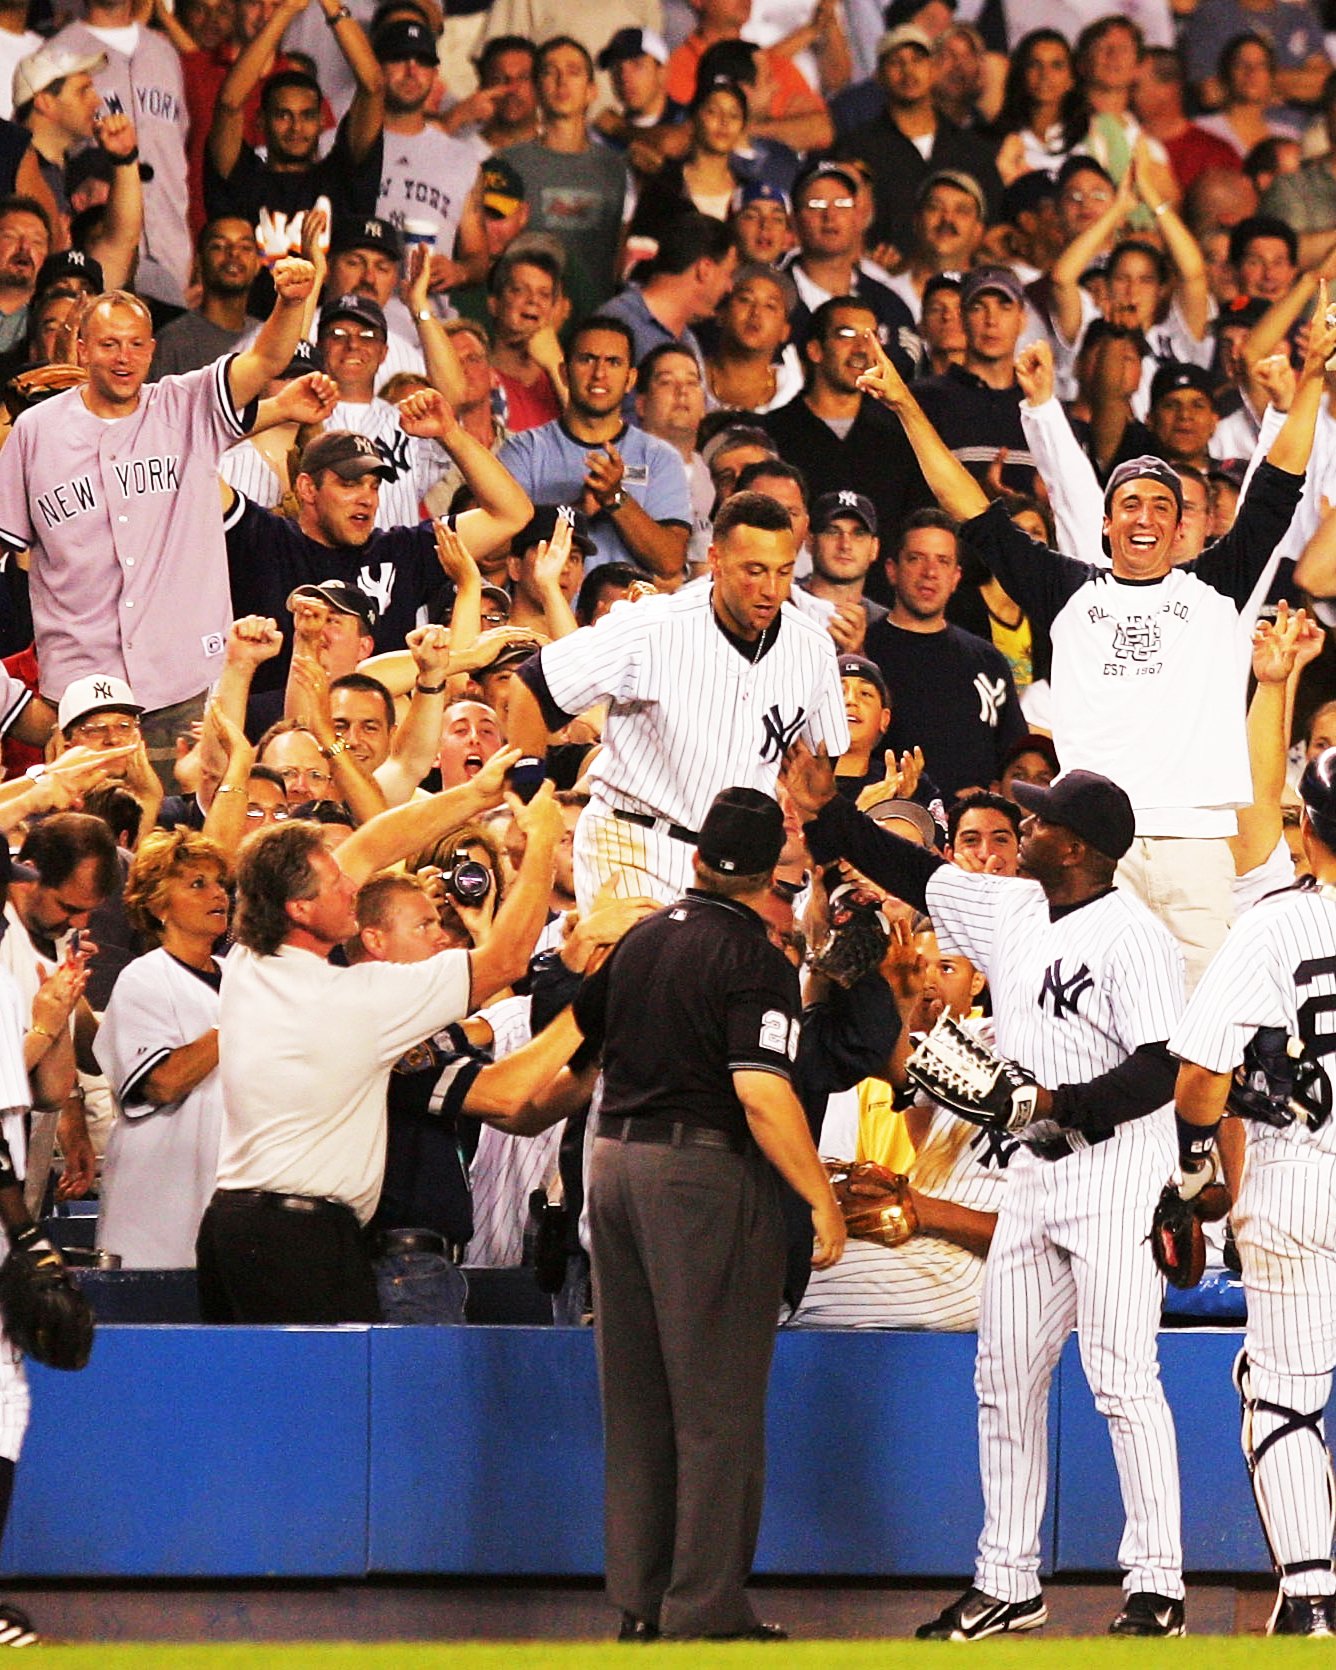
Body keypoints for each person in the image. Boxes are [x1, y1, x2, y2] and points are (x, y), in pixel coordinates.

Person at [783, 746, 1189, 1638]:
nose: (1025, 831)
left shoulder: (1137, 938)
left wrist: (1056, 1101)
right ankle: (1007, 1578)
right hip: (1036, 1172)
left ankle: (1155, 1583)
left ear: (1075, 848)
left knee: (1121, 1379)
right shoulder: (1013, 905)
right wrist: (829, 815)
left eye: (1040, 823)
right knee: (1003, 1376)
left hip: (1118, 1172)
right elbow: (914, 871)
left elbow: (1162, 1069)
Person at [854, 311, 1330, 986]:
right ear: (1105, 525)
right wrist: (905, 404)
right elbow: (965, 503)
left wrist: (1311, 376)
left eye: (1162, 506)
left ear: (1179, 525)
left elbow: (1278, 482)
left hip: (1198, 846)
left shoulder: (1216, 589)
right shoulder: (1065, 588)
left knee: (1196, 1037)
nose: (1145, 517)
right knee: (1096, 1025)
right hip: (1093, 847)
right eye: (1130, 504)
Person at [564, 785, 845, 1640]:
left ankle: (640, 1606)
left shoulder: (642, 938)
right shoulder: (754, 959)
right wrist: (821, 1202)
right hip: (697, 1177)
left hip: (611, 1165)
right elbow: (760, 1093)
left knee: (639, 1399)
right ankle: (704, 1610)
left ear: (694, 857)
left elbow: (574, 1057)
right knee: (715, 1406)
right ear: (771, 876)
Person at [196, 748, 564, 1323]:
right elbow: (509, 958)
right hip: (303, 1241)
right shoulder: (361, 999)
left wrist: (476, 793)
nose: (353, 885)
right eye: (336, 883)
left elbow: (369, 845)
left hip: (229, 1228)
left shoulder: (249, 961)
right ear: (299, 907)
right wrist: (542, 840)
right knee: (329, 1407)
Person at [0, 259, 325, 783]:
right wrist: (8, 699)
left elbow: (266, 359)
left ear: (153, 351)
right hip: (83, 698)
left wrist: (290, 302)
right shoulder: (34, 432)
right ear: (81, 350)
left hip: (186, 688)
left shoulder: (185, 405)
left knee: (190, 847)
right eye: (108, 344)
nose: (124, 358)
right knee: (89, 849)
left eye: (135, 344)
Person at [1170, 746, 1336, 1637]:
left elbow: (1199, 1072)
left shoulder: (1276, 926)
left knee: (1281, 1397)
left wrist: (1201, 1144)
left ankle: (1311, 1597)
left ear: (1306, 828)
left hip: (1301, 1182)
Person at [510, 491, 850, 910]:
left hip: (739, 864)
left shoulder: (812, 646)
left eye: (783, 572)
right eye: (755, 571)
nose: (770, 590)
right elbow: (531, 687)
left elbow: (820, 771)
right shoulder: (651, 627)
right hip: (632, 842)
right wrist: (526, 802)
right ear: (716, 560)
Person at [788, 922, 1012, 1330]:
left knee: (771, 1277)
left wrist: (922, 1209)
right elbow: (898, 1073)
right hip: (915, 1244)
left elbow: (1053, 1248)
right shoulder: (982, 1036)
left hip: (979, 1271)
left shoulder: (1097, 1089)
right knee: (765, 1254)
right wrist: (902, 1004)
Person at [93, 830, 230, 1269]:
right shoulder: (144, 978)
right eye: (197, 883)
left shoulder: (237, 975)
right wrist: (241, 1017)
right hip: (158, 1206)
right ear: (156, 905)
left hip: (225, 1196)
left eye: (219, 882)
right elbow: (162, 1082)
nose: (218, 893)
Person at [498, 315, 692, 585]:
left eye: (613, 362)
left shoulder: (660, 458)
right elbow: (496, 550)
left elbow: (670, 561)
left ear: (630, 379)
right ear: (564, 372)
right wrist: (575, 512)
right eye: (587, 359)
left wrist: (616, 499)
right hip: (544, 618)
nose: (599, 373)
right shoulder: (523, 451)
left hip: (627, 620)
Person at [865, 510, 1024, 802]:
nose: (930, 572)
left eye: (943, 561)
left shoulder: (988, 663)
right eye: (916, 558)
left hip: (973, 835)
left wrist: (993, 798)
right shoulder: (864, 653)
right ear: (891, 569)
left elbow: (1018, 757)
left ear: (956, 577)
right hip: (890, 826)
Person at [204, 0, 385, 244]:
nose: (296, 127)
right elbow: (229, 103)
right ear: (261, 120)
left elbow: (373, 87)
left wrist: (331, 6)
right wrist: (285, 11)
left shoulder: (342, 180)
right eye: (283, 115)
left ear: (322, 121)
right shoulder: (243, 179)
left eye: (307, 115)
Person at [48, 0, 190, 307]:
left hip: (171, 241)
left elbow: (180, 145)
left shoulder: (163, 51)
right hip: (101, 241)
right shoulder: (59, 52)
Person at [503, 37, 630, 310]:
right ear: (537, 88)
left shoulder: (616, 169)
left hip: (595, 321)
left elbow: (621, 252)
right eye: (550, 71)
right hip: (525, 317)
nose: (562, 82)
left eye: (573, 72)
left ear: (592, 90)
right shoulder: (509, 164)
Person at [149, 216, 261, 380]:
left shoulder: (266, 335)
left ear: (258, 263)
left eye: (245, 247)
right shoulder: (174, 341)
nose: (234, 253)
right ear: (199, 262)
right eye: (218, 246)